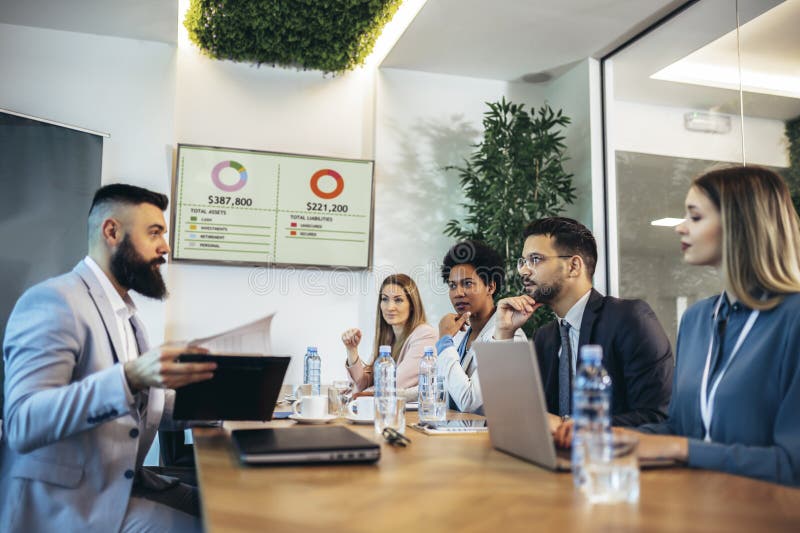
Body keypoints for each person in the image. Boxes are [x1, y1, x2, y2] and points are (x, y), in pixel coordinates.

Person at [0, 184, 216, 532]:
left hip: (124, 484)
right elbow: (23, 424)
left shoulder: (125, 314)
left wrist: (222, 406)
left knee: (229, 507)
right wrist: (130, 376)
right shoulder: (55, 302)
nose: (165, 247)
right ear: (112, 232)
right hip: (71, 505)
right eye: (155, 232)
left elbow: (142, 404)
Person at [625, 166, 800, 487]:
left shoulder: (794, 318)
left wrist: (681, 449)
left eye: (694, 217)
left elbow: (793, 466)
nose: (680, 227)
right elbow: (679, 427)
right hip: (695, 505)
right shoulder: (697, 319)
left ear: (739, 224)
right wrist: (602, 434)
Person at [494, 217, 674, 433]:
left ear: (573, 266)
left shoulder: (629, 319)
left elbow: (656, 417)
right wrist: (505, 334)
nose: (524, 271)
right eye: (522, 261)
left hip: (612, 459)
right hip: (556, 460)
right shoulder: (546, 337)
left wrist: (573, 428)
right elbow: (517, 415)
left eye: (535, 259)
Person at [435, 240, 526, 414]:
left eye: (467, 283)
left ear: (490, 286)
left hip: (490, 437)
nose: (458, 293)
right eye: (452, 285)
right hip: (459, 432)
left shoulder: (508, 336)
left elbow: (469, 400)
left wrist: (444, 341)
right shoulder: (462, 334)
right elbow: (444, 386)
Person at [342, 274, 436, 393]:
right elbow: (363, 384)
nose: (390, 307)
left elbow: (395, 383)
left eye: (398, 300)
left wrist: (356, 395)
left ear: (412, 305)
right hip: (387, 409)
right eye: (385, 299)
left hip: (414, 411)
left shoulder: (425, 334)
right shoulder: (387, 338)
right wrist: (352, 350)